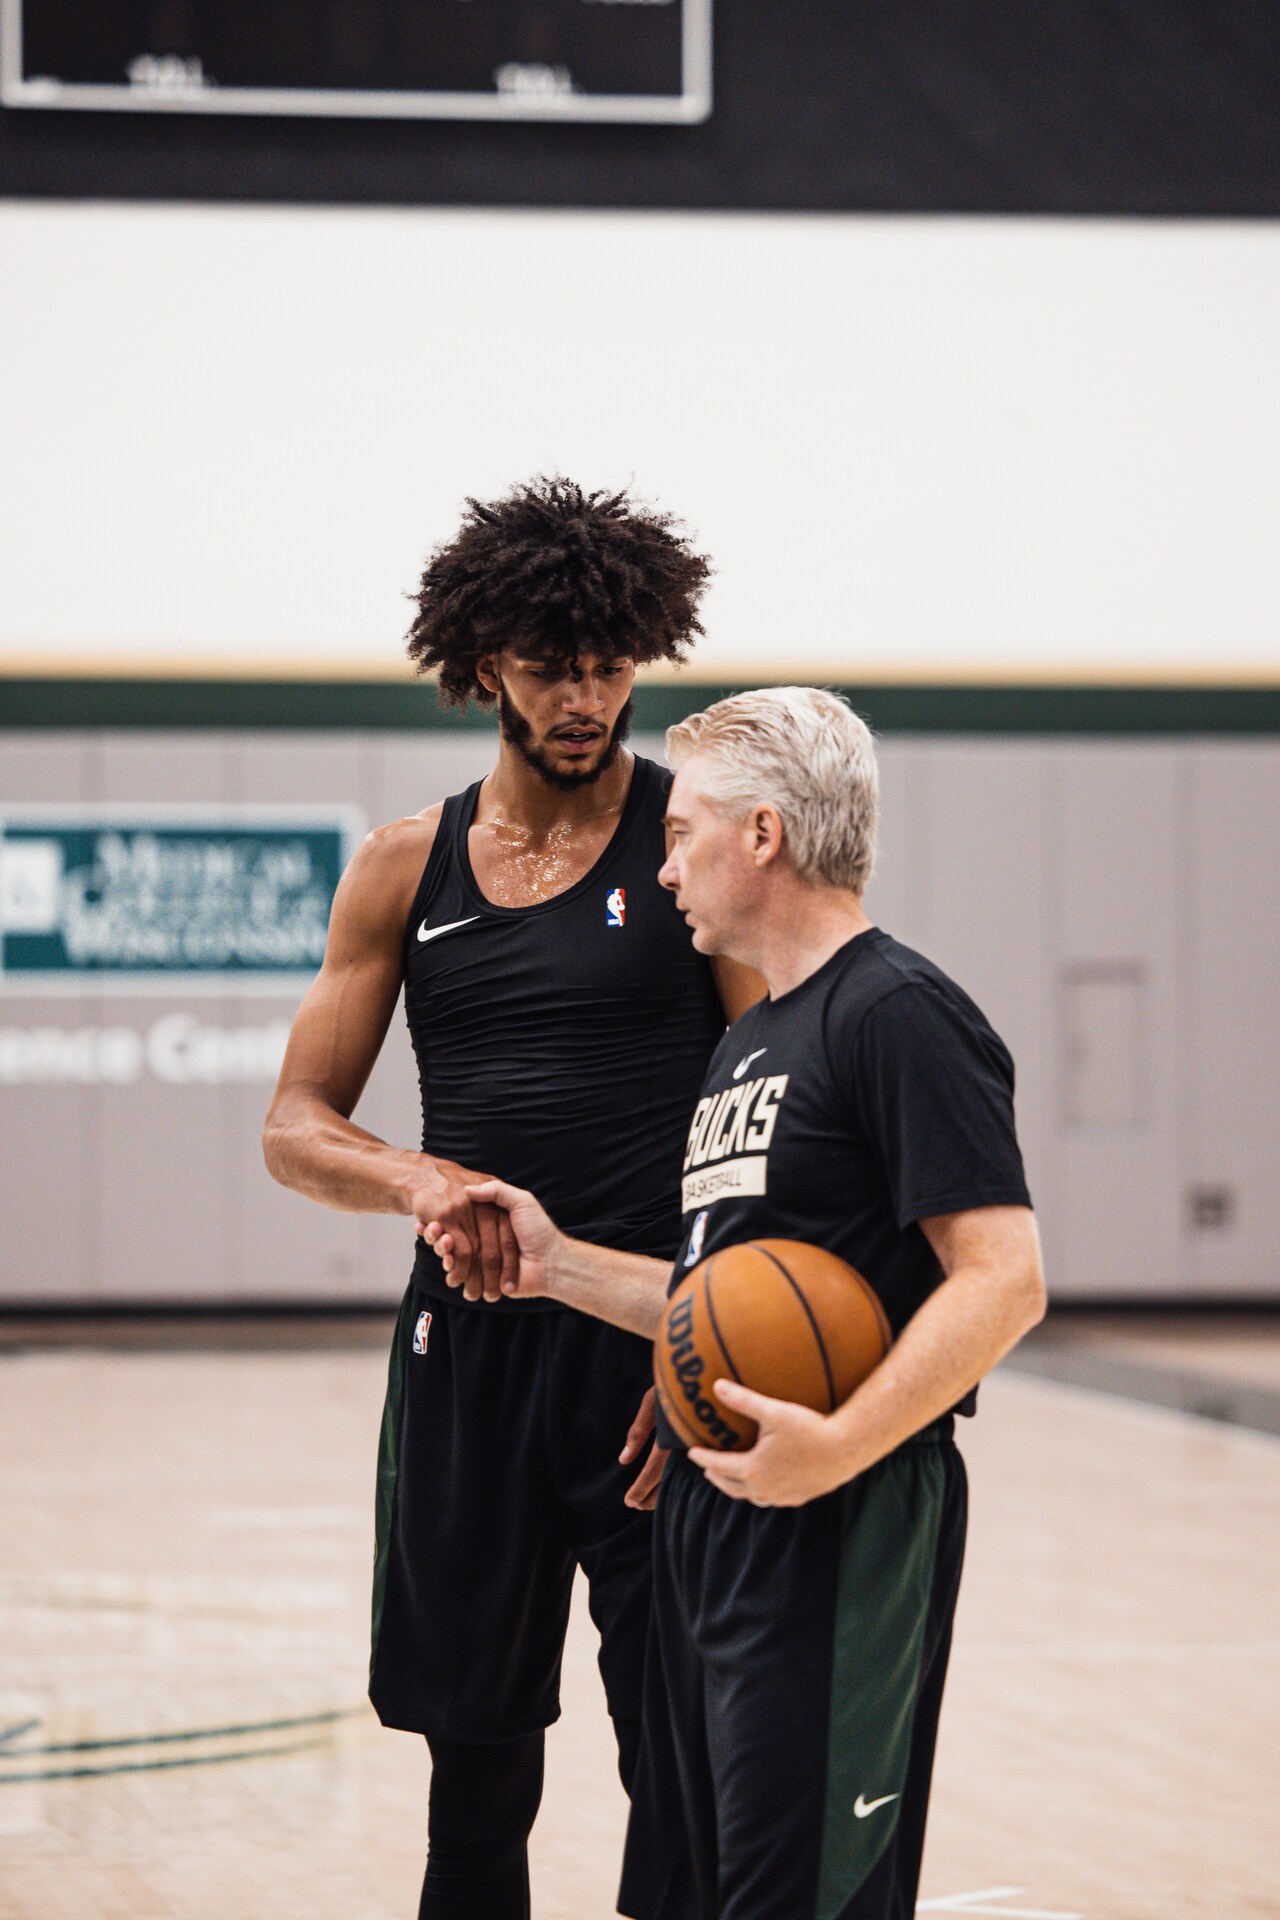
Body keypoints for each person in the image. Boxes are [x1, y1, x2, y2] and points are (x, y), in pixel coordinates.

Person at [427, 686, 1046, 1920]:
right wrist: (557, 1266)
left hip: (841, 1513)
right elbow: (719, 1295)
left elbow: (1003, 1276)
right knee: (696, 1888)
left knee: (799, 1890)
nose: (662, 868)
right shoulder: (752, 1040)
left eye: (681, 831)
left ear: (761, 835)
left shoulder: (898, 1014)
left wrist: (837, 1447)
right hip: (718, 1514)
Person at [262, 478, 761, 1920]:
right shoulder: (403, 865)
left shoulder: (692, 848)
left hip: (643, 1350)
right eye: (551, 665)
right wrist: (429, 1180)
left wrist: (708, 1335)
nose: (586, 696)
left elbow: (769, 1103)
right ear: (482, 662)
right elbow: (295, 1126)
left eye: (610, 664)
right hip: (470, 1356)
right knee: (473, 1773)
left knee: (682, 1766)